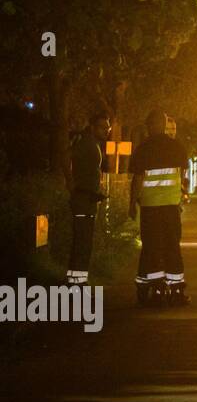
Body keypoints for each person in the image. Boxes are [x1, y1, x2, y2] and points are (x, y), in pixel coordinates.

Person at [130, 109, 189, 306]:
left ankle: (156, 289)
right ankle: (177, 290)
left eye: (149, 125)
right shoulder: (177, 147)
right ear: (164, 125)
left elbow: (137, 179)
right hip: (171, 206)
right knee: (173, 246)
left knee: (152, 247)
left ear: (151, 126)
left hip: (150, 207)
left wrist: (132, 203)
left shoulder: (143, 149)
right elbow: (182, 175)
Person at [66, 110, 111, 285]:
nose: (106, 131)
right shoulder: (86, 143)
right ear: (92, 127)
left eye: (107, 128)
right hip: (83, 199)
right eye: (102, 128)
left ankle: (73, 281)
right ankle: (77, 284)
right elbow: (65, 156)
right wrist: (70, 182)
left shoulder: (93, 144)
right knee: (83, 244)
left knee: (82, 243)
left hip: (87, 198)